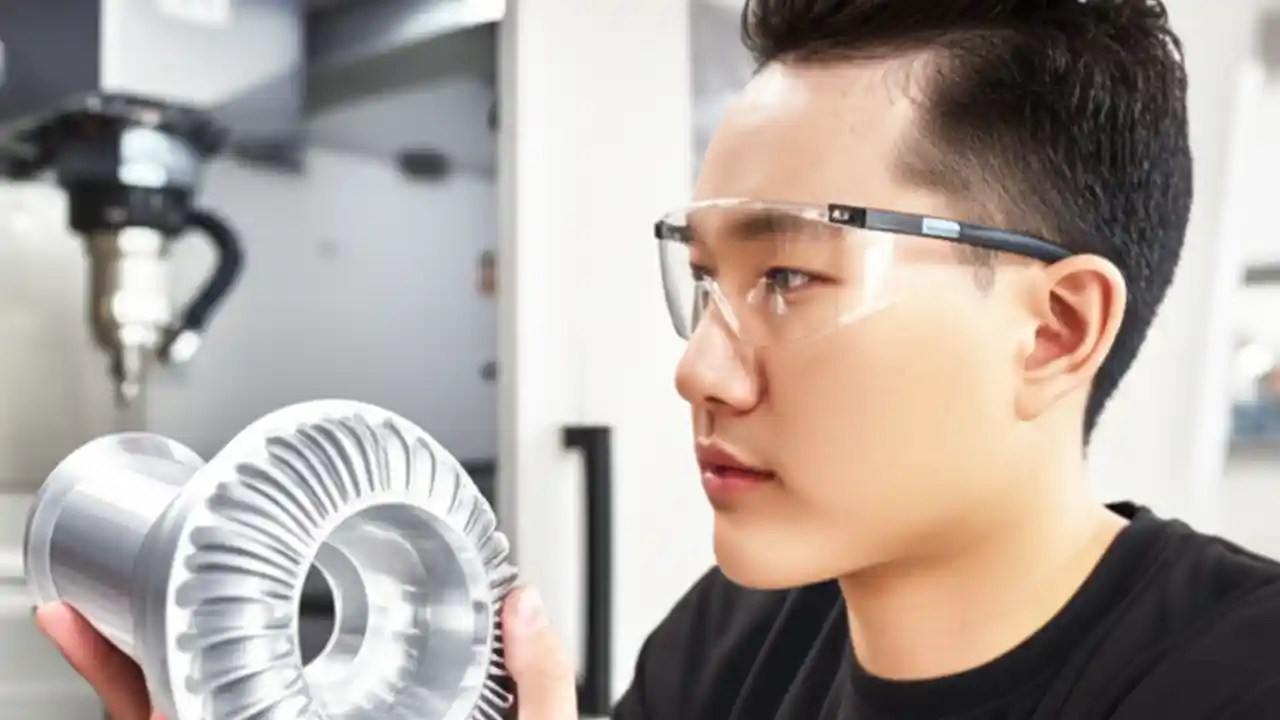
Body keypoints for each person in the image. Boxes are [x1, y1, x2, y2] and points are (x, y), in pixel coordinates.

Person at [36, 0, 1280, 718]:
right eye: (706, 279)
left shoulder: (1233, 679)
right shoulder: (730, 639)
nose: (698, 372)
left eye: (787, 278)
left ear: (1053, 328)